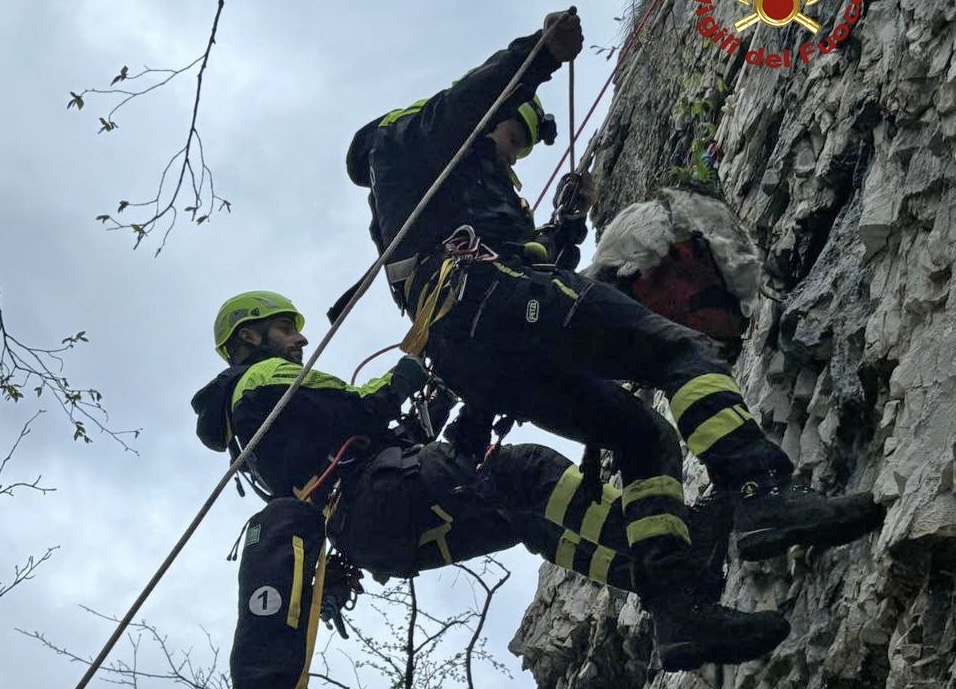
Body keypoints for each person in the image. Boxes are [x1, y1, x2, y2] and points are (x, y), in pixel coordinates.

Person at [346, 6, 885, 664]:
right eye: (519, 133)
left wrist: (566, 227)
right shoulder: (406, 138)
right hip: (493, 304)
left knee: (642, 434)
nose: (518, 151)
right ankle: (760, 492)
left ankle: (676, 606)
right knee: (676, 350)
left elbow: (529, 267)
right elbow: (462, 107)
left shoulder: (449, 194)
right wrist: (540, 55)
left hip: (485, 345)